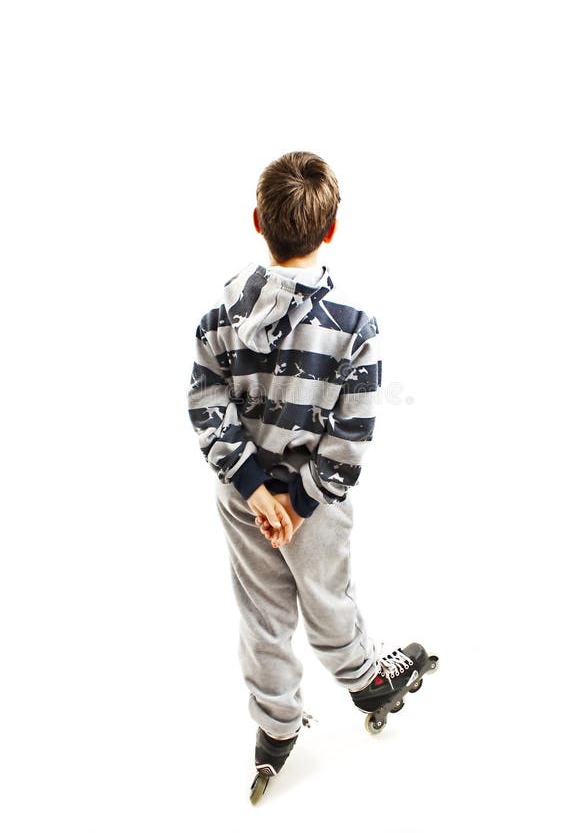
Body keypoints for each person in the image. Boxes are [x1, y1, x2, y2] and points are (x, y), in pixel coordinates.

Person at [187, 151, 437, 803]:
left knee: (261, 610)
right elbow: (350, 437)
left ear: (256, 221)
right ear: (330, 231)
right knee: (327, 598)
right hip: (314, 502)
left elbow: (207, 401)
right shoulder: (354, 325)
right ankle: (367, 681)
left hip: (244, 500)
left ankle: (273, 729)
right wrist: (297, 499)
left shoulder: (220, 310)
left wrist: (254, 489)